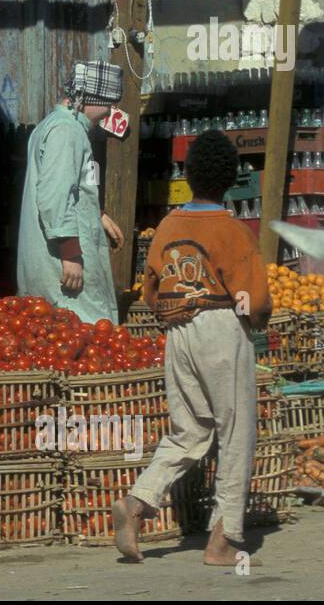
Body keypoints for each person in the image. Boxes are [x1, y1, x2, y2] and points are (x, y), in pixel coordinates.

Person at [113, 129, 271, 565]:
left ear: (187, 175)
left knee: (190, 431)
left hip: (178, 334)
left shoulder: (168, 226)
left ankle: (138, 502)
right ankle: (224, 539)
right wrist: (256, 318)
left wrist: (173, 308)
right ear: (231, 179)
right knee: (235, 433)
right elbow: (256, 301)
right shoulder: (233, 231)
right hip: (222, 329)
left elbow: (150, 291)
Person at [17, 60, 125, 324]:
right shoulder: (66, 130)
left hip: (55, 257)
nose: (110, 113)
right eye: (109, 104)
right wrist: (70, 255)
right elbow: (55, 196)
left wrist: (96, 213)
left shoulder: (57, 126)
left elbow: (68, 184)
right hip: (59, 265)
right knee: (82, 338)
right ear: (90, 99)